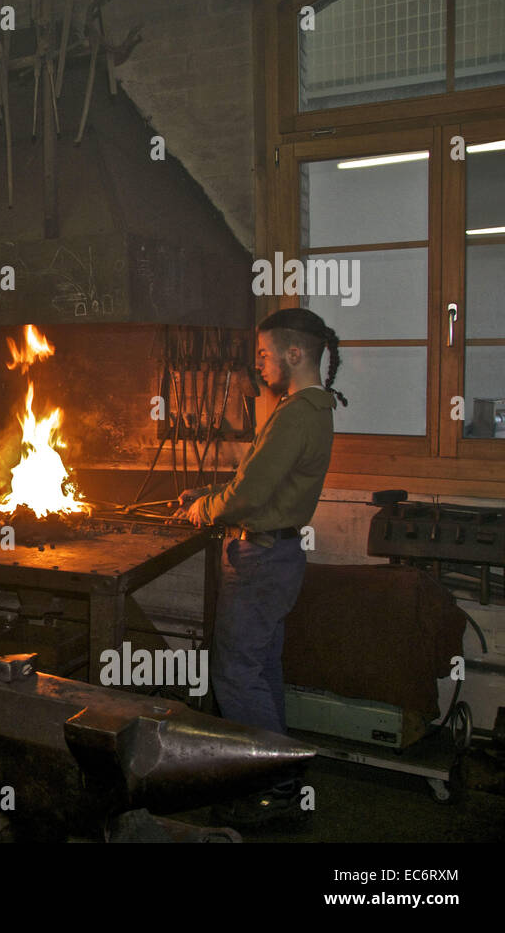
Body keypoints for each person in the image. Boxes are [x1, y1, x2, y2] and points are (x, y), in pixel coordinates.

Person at [175, 308, 347, 823]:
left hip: (259, 558)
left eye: (266, 355)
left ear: (295, 353)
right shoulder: (314, 407)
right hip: (278, 555)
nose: (261, 365)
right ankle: (283, 778)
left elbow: (250, 494)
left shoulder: (296, 412)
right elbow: (258, 478)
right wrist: (208, 492)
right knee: (262, 668)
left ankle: (273, 790)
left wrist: (202, 511)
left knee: (235, 673)